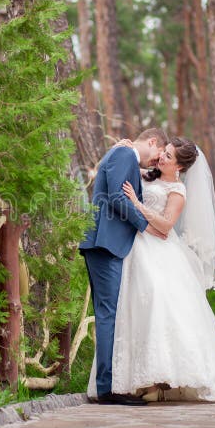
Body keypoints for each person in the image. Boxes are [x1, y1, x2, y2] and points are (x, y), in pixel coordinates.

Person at [87, 137, 215, 403]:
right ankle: (130, 380)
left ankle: (158, 377)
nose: (162, 158)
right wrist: (122, 148)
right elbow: (120, 166)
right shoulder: (149, 174)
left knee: (157, 305)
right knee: (130, 310)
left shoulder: (178, 191)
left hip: (156, 247)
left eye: (169, 157)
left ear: (180, 168)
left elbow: (165, 226)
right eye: (165, 153)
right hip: (132, 246)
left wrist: (138, 206)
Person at [79, 128, 168, 406]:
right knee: (108, 316)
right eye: (157, 157)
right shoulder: (124, 154)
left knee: (107, 315)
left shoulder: (120, 153)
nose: (156, 162)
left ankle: (106, 386)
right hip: (105, 244)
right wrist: (144, 225)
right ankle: (106, 390)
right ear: (152, 142)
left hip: (104, 244)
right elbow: (117, 198)